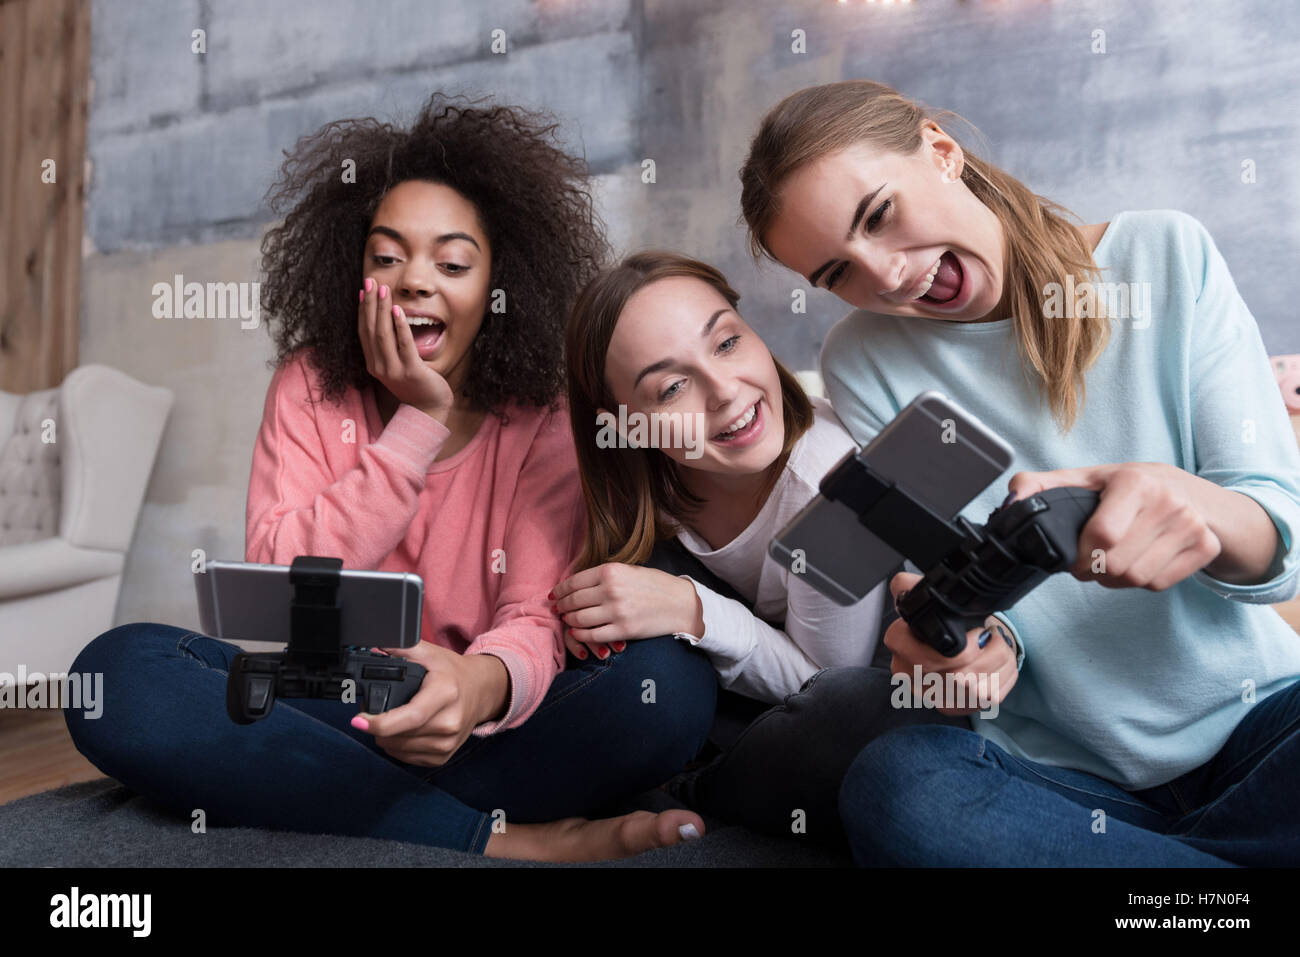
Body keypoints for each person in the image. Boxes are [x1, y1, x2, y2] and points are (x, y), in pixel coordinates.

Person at [64, 93, 719, 863]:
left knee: (668, 688)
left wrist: (477, 684)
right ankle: (499, 839)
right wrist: (418, 423)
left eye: (452, 262)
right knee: (118, 674)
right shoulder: (310, 385)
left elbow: (534, 617)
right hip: (340, 709)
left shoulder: (546, 413)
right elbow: (281, 577)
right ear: (352, 271)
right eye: (386, 257)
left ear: (500, 284)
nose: (415, 281)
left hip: (482, 717)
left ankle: (325, 800)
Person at [738, 78, 1300, 865]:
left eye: (879, 216)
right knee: (901, 787)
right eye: (837, 274)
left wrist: (1195, 506)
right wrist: (977, 651)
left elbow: (1280, 541)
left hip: (1267, 729)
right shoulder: (863, 361)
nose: (885, 277)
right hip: (1072, 784)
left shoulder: (1164, 256)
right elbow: (974, 595)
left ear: (941, 152)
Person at [555, 249, 1024, 848]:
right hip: (758, 690)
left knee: (859, 714)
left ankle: (699, 789)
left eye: (726, 343)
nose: (724, 391)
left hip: (860, 698)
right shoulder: (659, 487)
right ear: (621, 425)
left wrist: (689, 608)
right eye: (672, 387)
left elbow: (823, 683)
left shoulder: (827, 480)